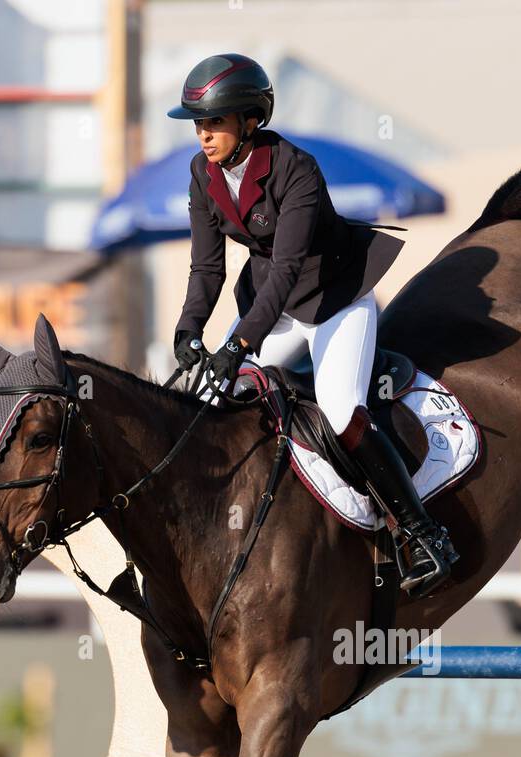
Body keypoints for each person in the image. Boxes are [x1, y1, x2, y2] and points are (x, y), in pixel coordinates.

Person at [168, 53, 458, 597]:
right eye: (198, 125)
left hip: (334, 302)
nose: (203, 136)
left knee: (341, 406)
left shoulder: (295, 168)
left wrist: (241, 342)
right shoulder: (201, 175)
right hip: (273, 306)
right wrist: (189, 330)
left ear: (250, 120)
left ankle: (423, 534)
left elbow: (287, 268)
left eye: (214, 123)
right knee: (208, 396)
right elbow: (207, 266)